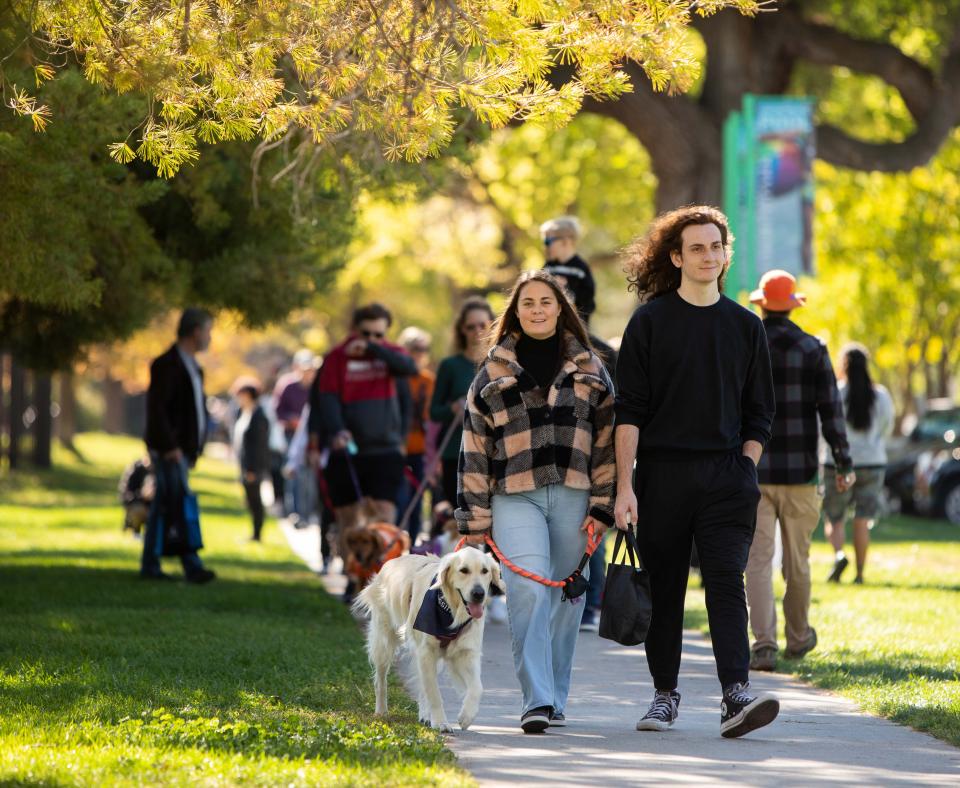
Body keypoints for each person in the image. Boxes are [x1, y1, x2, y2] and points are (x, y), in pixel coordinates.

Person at [613, 205, 777, 738]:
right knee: (666, 588)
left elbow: (761, 412)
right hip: (661, 475)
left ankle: (736, 693)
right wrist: (624, 487)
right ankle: (665, 695)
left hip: (727, 478)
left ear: (726, 255)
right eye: (697, 248)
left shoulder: (746, 326)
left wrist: (744, 467)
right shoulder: (649, 323)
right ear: (678, 257)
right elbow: (629, 412)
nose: (709, 256)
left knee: (726, 581)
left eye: (716, 246)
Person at [456, 269, 615, 734]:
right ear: (516, 311)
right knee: (526, 591)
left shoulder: (591, 367)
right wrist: (473, 515)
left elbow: (606, 440)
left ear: (561, 308)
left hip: (575, 495)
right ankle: (536, 700)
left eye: (547, 301)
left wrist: (603, 504)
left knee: (566, 598)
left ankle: (556, 695)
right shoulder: (492, 370)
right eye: (528, 303)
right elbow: (473, 446)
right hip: (513, 497)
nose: (538, 309)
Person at [744, 270, 854, 673]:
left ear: (760, 304)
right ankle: (799, 635)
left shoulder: (746, 346)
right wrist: (843, 463)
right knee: (798, 562)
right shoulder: (813, 348)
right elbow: (832, 413)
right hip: (802, 473)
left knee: (757, 559)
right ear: (793, 304)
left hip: (753, 470)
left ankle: (764, 644)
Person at [308, 303, 416, 556]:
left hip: (385, 448)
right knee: (347, 516)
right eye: (366, 334)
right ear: (354, 330)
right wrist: (336, 430)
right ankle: (351, 576)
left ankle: (382, 576)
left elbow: (409, 368)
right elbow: (326, 398)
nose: (372, 340)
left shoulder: (391, 354)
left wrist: (373, 349)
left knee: (384, 515)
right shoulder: (336, 357)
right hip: (347, 449)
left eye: (379, 335)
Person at [142, 307, 217, 584]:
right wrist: (169, 445)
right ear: (195, 331)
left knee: (166, 504)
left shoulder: (193, 366)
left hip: (183, 451)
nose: (210, 337)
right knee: (176, 504)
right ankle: (191, 565)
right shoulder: (167, 364)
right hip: (169, 451)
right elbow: (157, 410)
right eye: (208, 330)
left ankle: (151, 564)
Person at [823, 343, 895, 585]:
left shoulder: (836, 391)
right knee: (863, 519)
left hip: (839, 463)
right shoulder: (881, 395)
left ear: (843, 365)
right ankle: (860, 574)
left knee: (835, 517)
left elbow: (824, 426)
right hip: (873, 463)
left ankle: (839, 555)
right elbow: (888, 426)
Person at [430, 297, 494, 505]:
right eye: (470, 326)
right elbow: (434, 411)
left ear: (493, 325)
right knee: (461, 518)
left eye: (482, 325)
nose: (477, 330)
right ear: (462, 330)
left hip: (492, 452)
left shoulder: (502, 363)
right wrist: (453, 408)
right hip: (456, 453)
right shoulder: (450, 366)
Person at [396, 327, 435, 542]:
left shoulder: (428, 381)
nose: (419, 353)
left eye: (423, 349)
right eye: (414, 348)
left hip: (421, 451)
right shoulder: (396, 379)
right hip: (398, 449)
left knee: (417, 503)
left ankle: (412, 549)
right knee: (399, 502)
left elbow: (433, 419)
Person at [273, 349, 317, 518]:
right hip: (291, 435)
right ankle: (292, 510)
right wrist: (292, 420)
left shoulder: (315, 387)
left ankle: (307, 511)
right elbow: (278, 411)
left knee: (309, 476)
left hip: (310, 435)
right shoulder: (287, 385)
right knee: (293, 472)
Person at [233, 380, 271, 542]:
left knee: (255, 500)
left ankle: (257, 533)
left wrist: (252, 469)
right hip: (245, 465)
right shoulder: (244, 412)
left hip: (253, 467)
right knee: (249, 499)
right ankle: (254, 532)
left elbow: (259, 446)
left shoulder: (259, 416)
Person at [541, 216, 596, 325]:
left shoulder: (580, 269)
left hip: (575, 325)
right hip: (550, 324)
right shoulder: (549, 267)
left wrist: (565, 290)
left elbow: (587, 303)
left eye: (548, 241)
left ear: (565, 242)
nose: (545, 246)